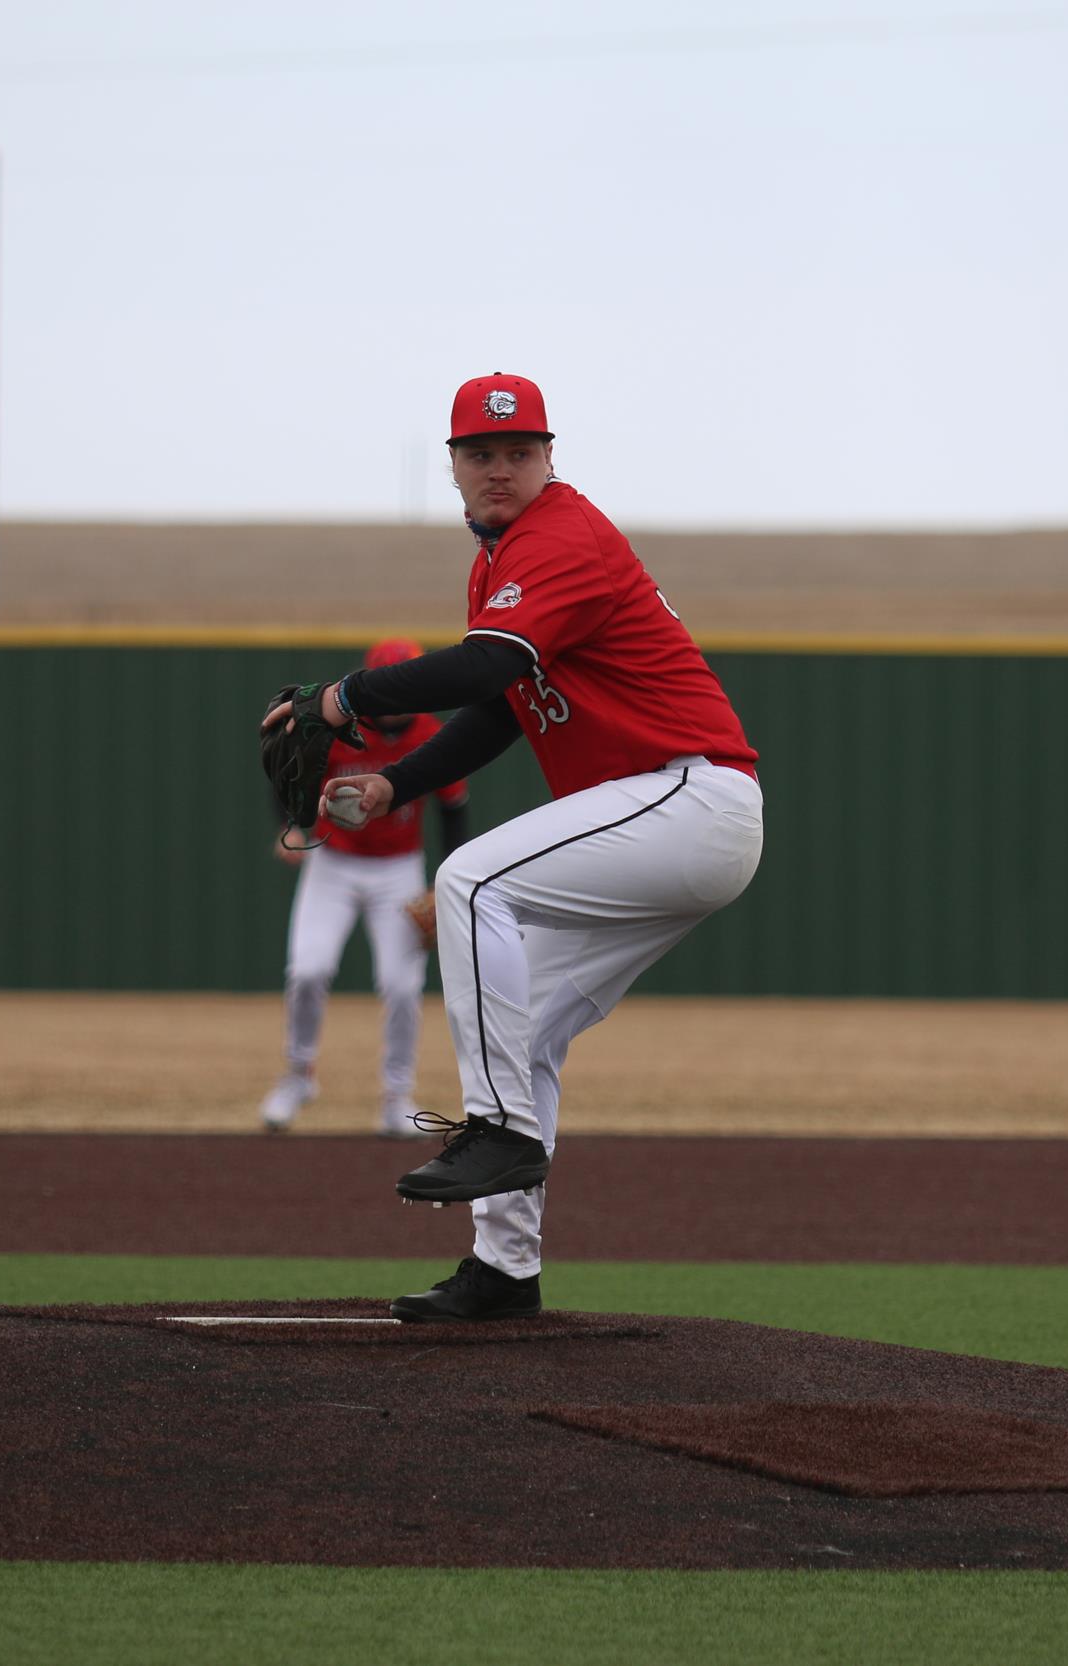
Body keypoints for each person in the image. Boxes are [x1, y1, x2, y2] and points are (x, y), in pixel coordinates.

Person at [265, 372, 764, 1322]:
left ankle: (496, 1130)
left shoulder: (562, 534)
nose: (501, 468)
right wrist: (393, 783)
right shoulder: (500, 562)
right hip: (662, 813)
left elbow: (490, 665)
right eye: (481, 453)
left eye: (519, 450)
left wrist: (344, 699)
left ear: (549, 458)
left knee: (470, 877)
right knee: (522, 1022)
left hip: (690, 796)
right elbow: (501, 704)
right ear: (452, 466)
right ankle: (505, 1267)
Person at [257, 638, 470, 1140]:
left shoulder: (429, 733)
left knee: (400, 986)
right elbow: (286, 777)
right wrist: (294, 826)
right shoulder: (337, 728)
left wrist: (444, 881)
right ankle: (298, 1076)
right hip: (334, 863)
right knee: (308, 969)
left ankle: (397, 1099)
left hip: (398, 869)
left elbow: (453, 810)